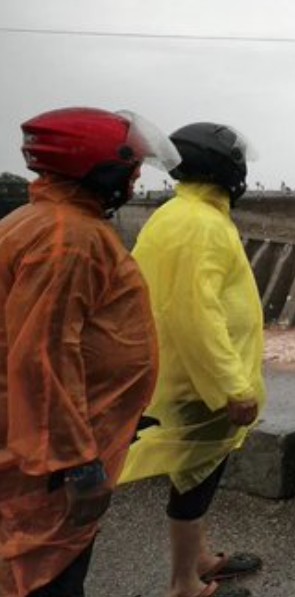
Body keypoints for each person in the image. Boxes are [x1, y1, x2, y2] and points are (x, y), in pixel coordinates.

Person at [0, 107, 179, 596]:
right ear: (97, 168)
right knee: (47, 575)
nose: (138, 175)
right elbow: (42, 357)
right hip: (48, 460)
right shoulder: (69, 240)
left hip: (48, 440)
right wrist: (77, 464)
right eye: (130, 166)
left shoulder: (40, 220)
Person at [120, 122, 265, 597]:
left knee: (196, 472)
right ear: (226, 167)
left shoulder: (176, 213)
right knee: (194, 480)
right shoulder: (202, 224)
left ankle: (198, 559)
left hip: (179, 371)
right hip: (198, 381)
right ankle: (185, 582)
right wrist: (232, 388)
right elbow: (196, 315)